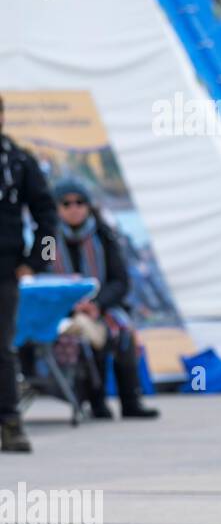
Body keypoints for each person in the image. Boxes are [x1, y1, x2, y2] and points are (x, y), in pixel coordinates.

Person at [50, 176, 158, 420]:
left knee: (122, 332)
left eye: (79, 202)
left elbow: (120, 281)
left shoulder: (103, 236)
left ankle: (131, 402)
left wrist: (96, 304)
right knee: (84, 337)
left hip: (102, 307)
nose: (74, 209)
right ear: (57, 207)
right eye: (66, 204)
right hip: (62, 310)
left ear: (88, 206)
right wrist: (70, 304)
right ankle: (97, 403)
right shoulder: (48, 239)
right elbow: (44, 274)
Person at [0, 94, 59, 453]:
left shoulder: (19, 162)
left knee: (2, 349)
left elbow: (47, 217)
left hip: (4, 271)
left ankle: (9, 423)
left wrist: (38, 261)